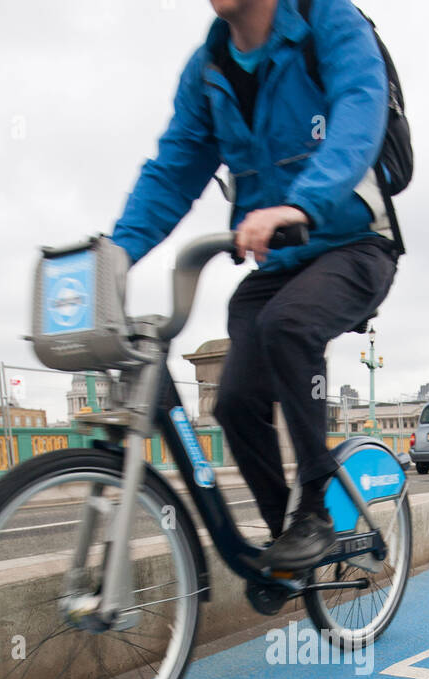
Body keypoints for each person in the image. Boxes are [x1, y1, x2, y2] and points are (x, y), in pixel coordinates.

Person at [110, 0, 400, 569]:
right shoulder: (211, 67)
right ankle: (288, 541)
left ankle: (315, 510)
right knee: (236, 400)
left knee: (287, 325)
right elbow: (173, 170)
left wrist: (299, 204)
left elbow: (358, 117)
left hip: (356, 246)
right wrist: (116, 254)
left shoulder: (329, 22)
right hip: (278, 268)